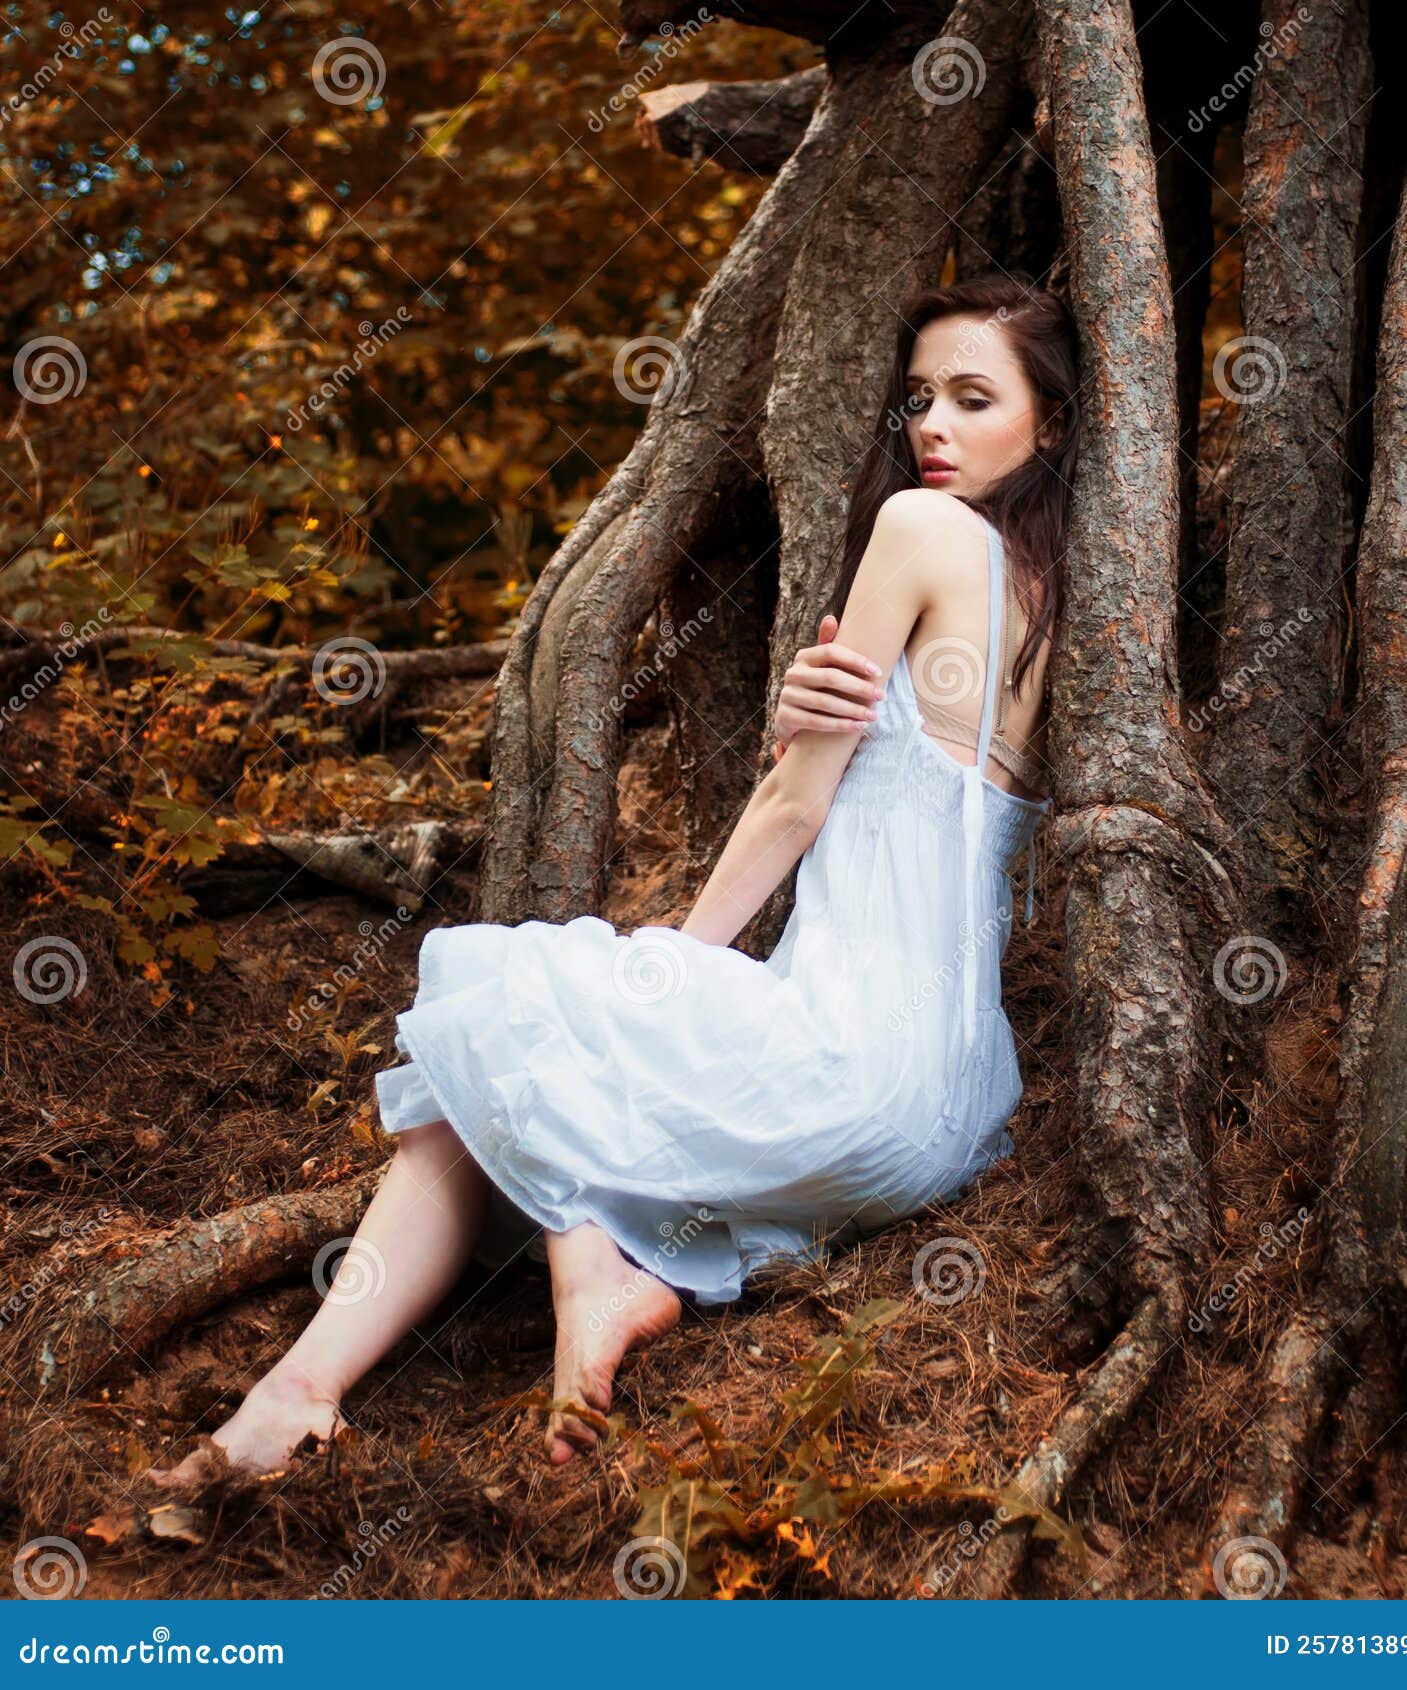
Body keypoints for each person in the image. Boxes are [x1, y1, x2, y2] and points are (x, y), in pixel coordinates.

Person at [147, 272, 1082, 1481]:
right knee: (469, 1111)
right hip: (949, 1107)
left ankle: (568, 1271)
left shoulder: (918, 529)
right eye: (916, 401)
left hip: (847, 1054)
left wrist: (670, 967)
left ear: (1046, 422)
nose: (932, 430)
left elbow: (794, 799)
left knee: (504, 987)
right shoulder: (1064, 601)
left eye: (972, 398)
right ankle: (299, 1395)